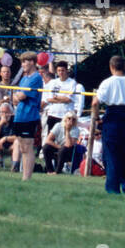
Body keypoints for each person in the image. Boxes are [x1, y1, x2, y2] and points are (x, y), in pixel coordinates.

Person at [91, 54, 125, 195]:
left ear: (111, 67)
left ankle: (113, 189)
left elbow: (95, 102)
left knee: (112, 155)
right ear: (124, 67)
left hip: (112, 118)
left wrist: (97, 118)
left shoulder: (107, 83)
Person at [10, 51, 43, 181]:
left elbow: (22, 96)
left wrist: (18, 95)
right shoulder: (24, 79)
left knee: (27, 146)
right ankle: (24, 175)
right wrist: (17, 96)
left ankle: (26, 177)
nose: (23, 64)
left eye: (25, 61)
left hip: (29, 116)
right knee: (22, 146)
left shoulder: (36, 78)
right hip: (19, 115)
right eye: (22, 61)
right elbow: (15, 98)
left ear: (33, 62)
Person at [43, 61, 85, 131]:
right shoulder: (53, 82)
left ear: (66, 71)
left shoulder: (72, 83)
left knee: (64, 138)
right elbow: (49, 99)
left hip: (65, 116)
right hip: (52, 114)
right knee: (50, 138)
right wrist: (62, 99)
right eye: (59, 71)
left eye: (63, 70)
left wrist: (56, 97)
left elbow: (68, 99)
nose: (61, 73)